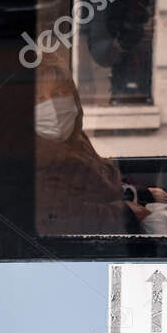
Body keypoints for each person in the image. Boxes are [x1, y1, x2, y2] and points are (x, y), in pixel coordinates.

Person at [32, 56, 136, 235]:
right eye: (40, 98)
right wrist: (128, 212)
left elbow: (101, 179)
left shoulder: (75, 139)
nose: (51, 106)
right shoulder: (34, 159)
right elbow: (62, 219)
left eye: (58, 94)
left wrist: (135, 193)